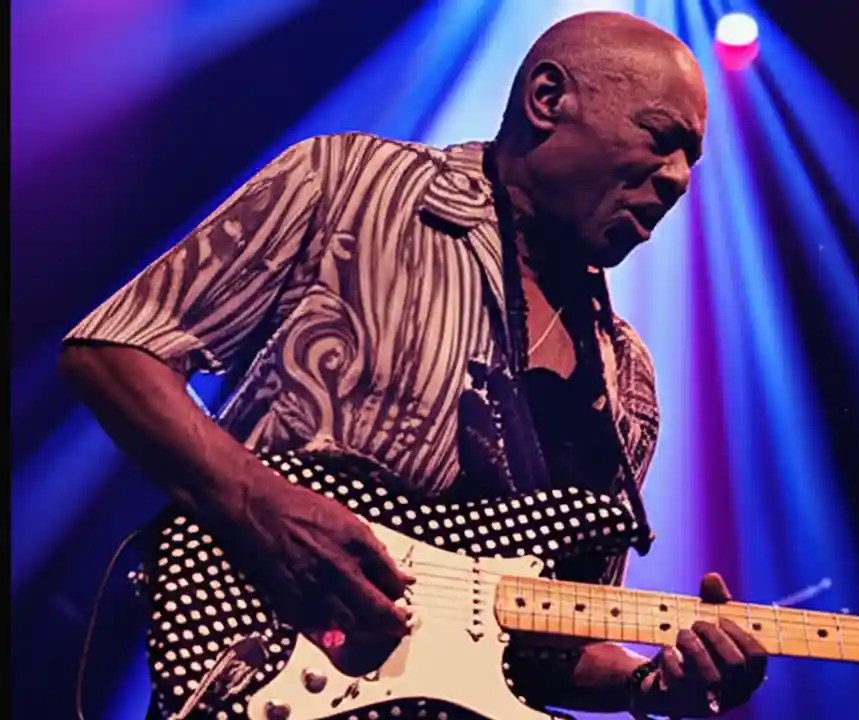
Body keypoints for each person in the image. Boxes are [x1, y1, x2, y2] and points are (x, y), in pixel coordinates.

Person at [59, 10, 767, 719]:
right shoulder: (348, 186)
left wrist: (650, 686)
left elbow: (546, 646)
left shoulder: (627, 382)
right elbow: (116, 351)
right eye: (661, 138)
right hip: (267, 677)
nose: (677, 178)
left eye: (691, 161)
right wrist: (257, 502)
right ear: (548, 99)